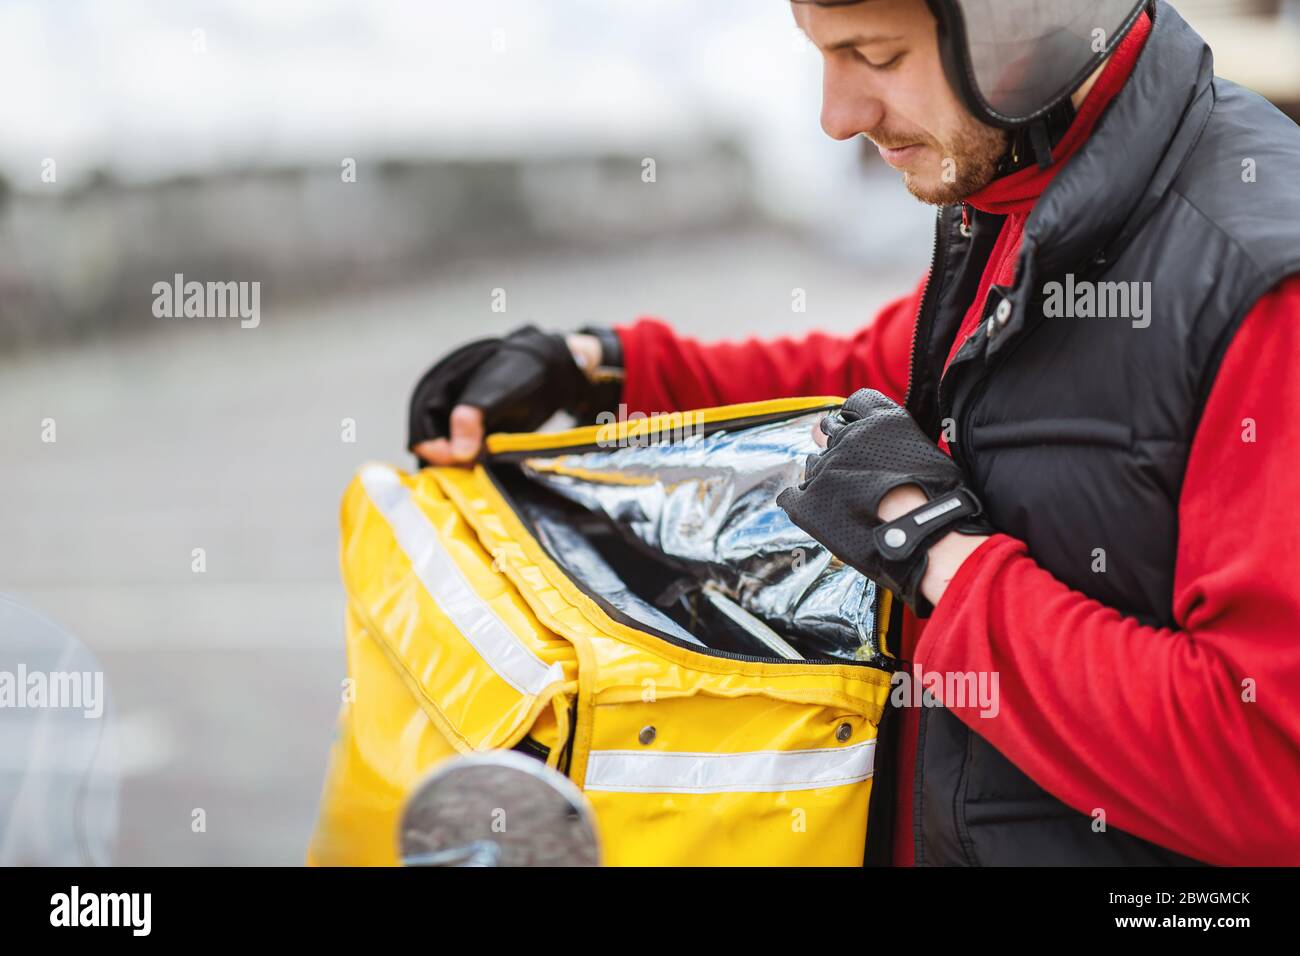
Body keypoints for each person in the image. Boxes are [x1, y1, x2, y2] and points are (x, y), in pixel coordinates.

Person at [406, 0, 1300, 865]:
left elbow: (1271, 773)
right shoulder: (1034, 183)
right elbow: (890, 372)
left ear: (1032, 19)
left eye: (877, 58)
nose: (838, 117)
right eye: (822, 55)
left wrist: (933, 553)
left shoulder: (1263, 288)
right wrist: (602, 366)